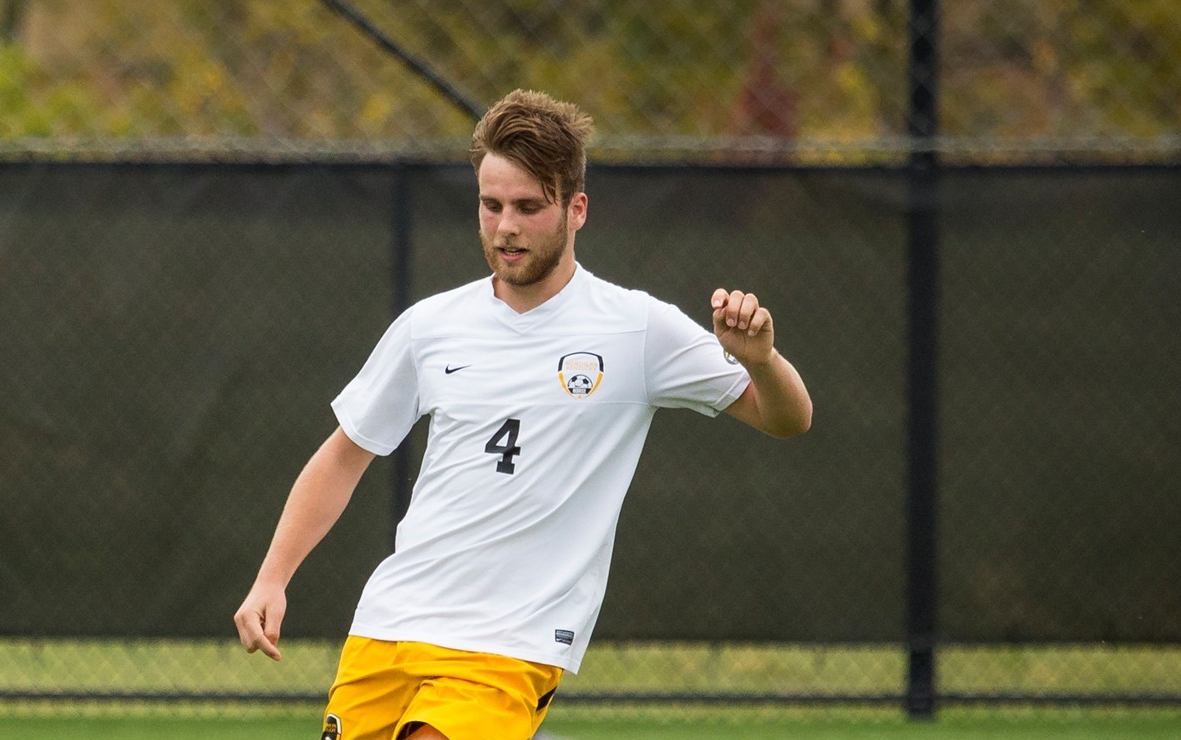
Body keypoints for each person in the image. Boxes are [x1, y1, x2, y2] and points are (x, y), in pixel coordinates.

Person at [232, 90, 812, 740]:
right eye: (491, 204)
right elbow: (345, 453)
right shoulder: (431, 326)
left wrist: (760, 360)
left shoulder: (637, 328)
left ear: (576, 209)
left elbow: (786, 417)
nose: (506, 225)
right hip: (391, 624)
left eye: (529, 207)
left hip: (513, 640)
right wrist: (271, 580)